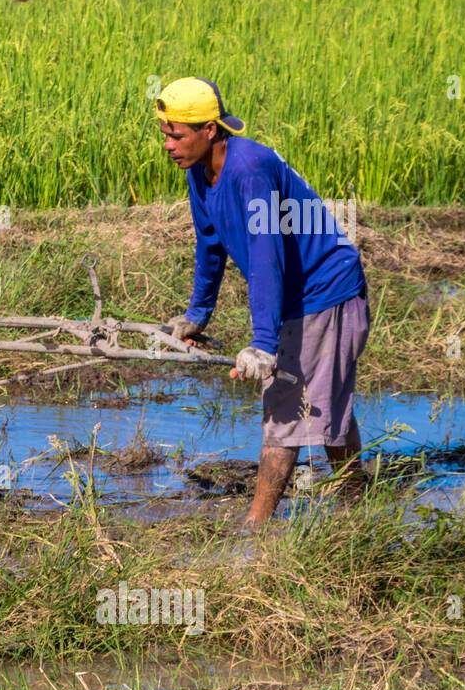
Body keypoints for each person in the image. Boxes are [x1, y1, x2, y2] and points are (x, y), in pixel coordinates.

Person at [156, 77, 370, 524]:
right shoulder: (200, 170)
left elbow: (265, 255)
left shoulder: (250, 169)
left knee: (286, 412)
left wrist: (264, 344)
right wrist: (196, 315)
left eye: (177, 135)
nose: (169, 145)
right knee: (323, 405)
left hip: (323, 291)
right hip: (301, 294)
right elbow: (209, 242)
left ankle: (256, 528)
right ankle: (359, 513)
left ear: (209, 130)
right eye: (166, 134)